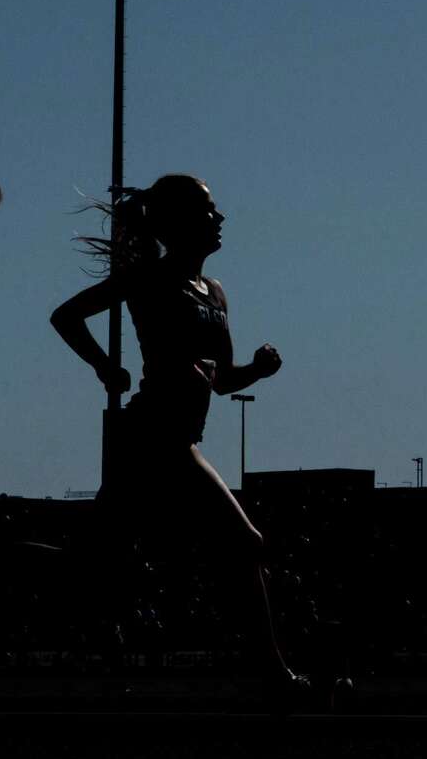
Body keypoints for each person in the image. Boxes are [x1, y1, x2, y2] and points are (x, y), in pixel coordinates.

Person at [50, 174, 307, 706]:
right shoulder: (149, 277)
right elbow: (66, 315)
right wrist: (105, 367)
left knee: (87, 562)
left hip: (178, 440)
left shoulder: (215, 293)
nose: (219, 220)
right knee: (246, 544)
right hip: (153, 440)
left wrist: (256, 372)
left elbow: (223, 379)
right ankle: (274, 677)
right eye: (208, 211)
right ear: (180, 222)